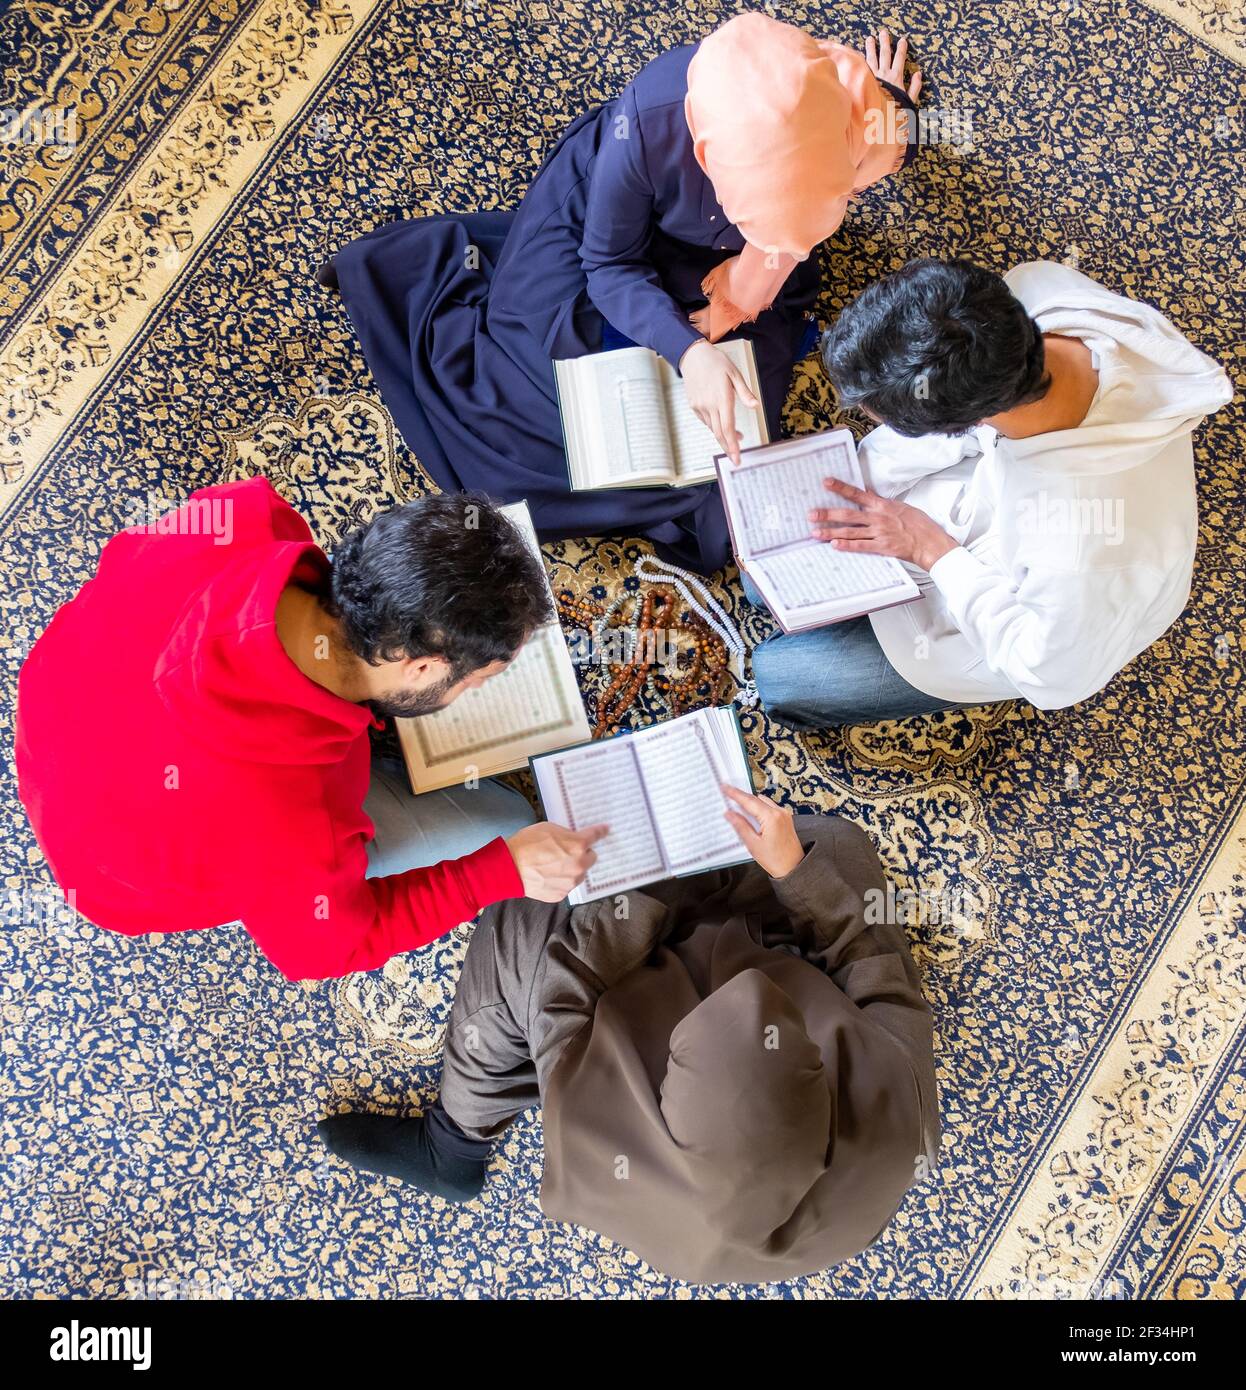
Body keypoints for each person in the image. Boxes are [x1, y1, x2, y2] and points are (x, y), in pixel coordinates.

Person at [319, 14, 921, 572]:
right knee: (534, 407)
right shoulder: (647, 121)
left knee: (715, 452)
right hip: (597, 242)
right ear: (712, 161)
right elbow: (608, 264)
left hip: (727, 273)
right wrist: (689, 351)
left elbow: (894, 138)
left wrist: (884, 102)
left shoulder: (842, 110)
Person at [319, 789, 939, 1285]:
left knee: (515, 927)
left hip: (629, 997)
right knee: (832, 847)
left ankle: (454, 1142)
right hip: (768, 949)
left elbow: (575, 972)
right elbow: (867, 953)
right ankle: (735, 891)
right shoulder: (901, 1099)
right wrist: (793, 872)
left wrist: (652, 879)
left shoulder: (593, 1118)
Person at [16, 477, 606, 981]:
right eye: (481, 678)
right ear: (421, 666)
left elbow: (125, 554)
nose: (479, 690)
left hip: (63, 708)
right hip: (121, 867)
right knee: (509, 821)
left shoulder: (248, 516)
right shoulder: (296, 826)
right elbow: (323, 951)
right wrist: (500, 872)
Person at [748, 258, 1233, 725]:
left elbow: (1053, 675)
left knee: (780, 678)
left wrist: (933, 551)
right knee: (765, 569)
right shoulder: (1030, 295)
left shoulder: (1082, 550)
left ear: (958, 423)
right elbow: (955, 412)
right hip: (993, 492)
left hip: (1040, 616)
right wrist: (856, 480)